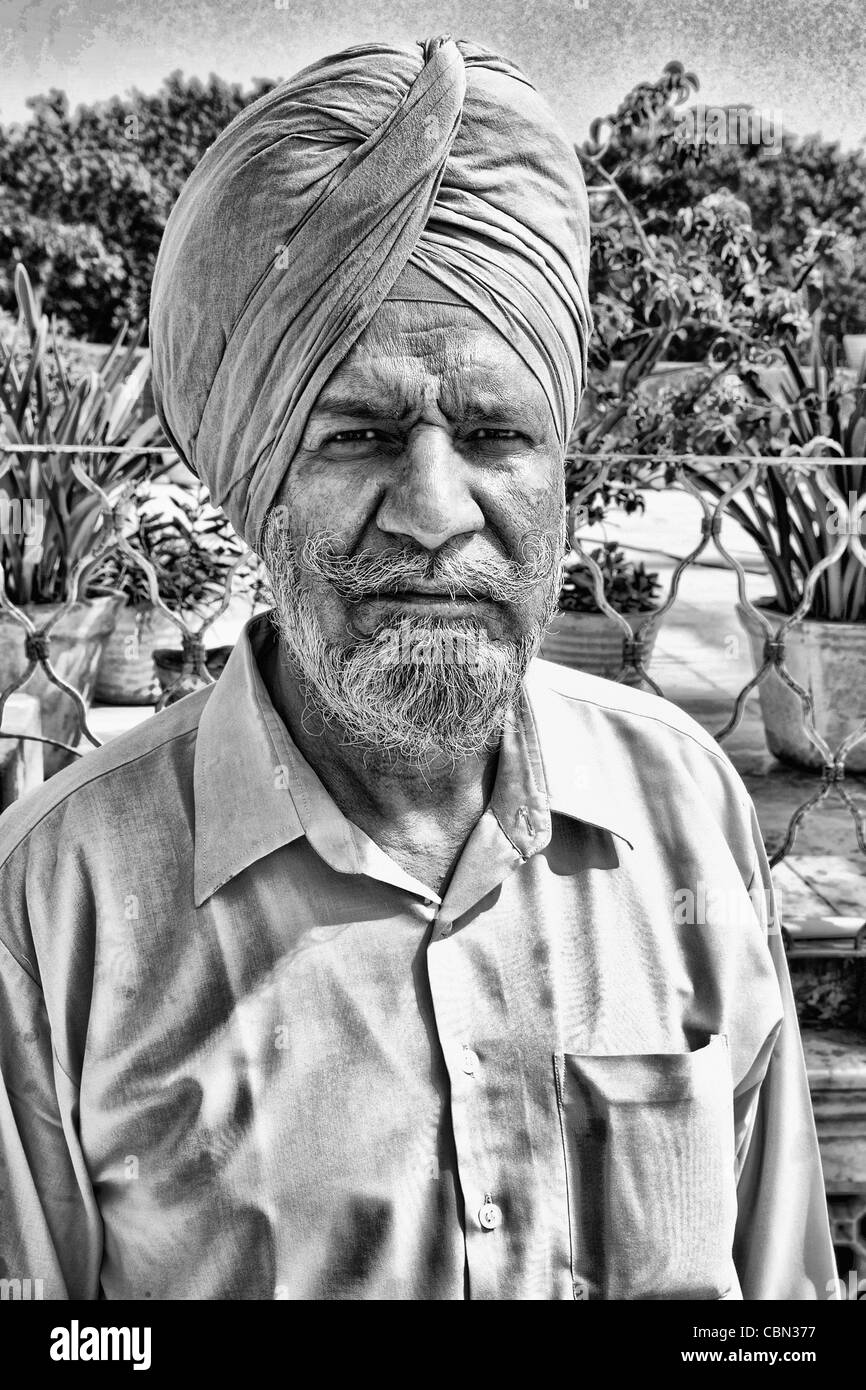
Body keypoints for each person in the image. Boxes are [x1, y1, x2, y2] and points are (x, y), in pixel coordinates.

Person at [0, 35, 836, 1301]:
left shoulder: (686, 809)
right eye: (360, 434)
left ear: (562, 474)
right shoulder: (58, 902)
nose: (434, 506)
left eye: (495, 432)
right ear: (255, 483)